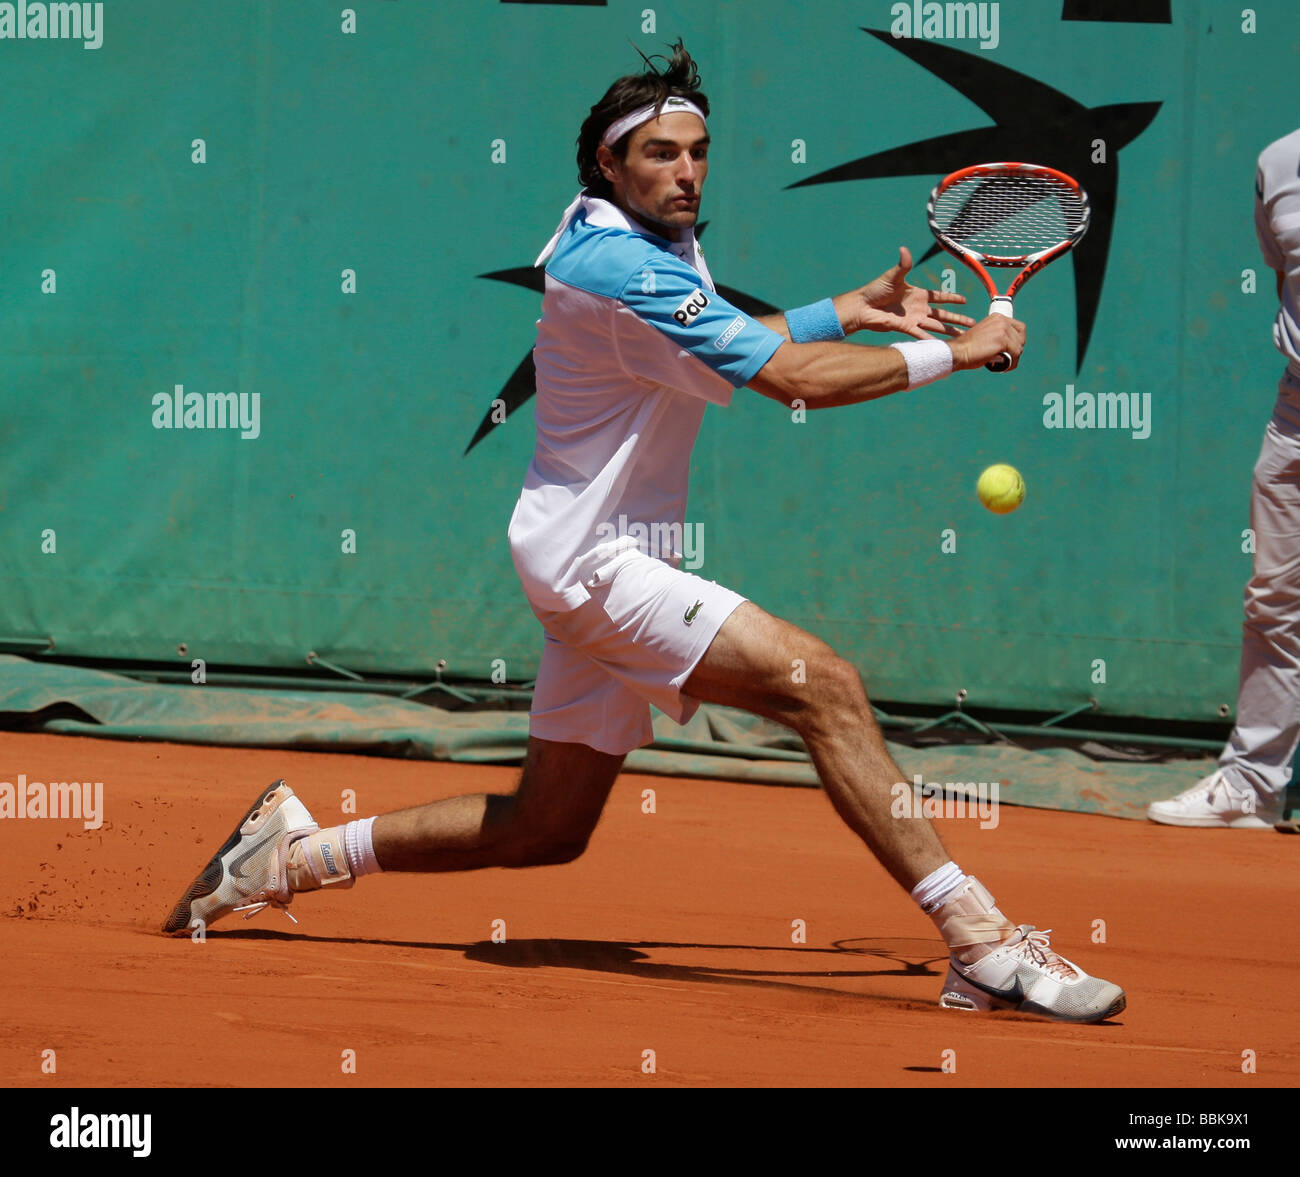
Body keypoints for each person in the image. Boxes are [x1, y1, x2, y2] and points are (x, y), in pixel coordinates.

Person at [165, 43, 1124, 1024]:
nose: (686, 172)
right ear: (607, 165)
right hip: (596, 564)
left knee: (546, 825)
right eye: (661, 154)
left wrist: (847, 309)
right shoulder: (614, 261)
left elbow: (716, 342)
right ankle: (981, 943)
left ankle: (285, 857)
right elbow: (783, 378)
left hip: (593, 557)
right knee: (820, 684)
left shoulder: (644, 240)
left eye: (698, 152)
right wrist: (951, 356)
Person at [1148, 126, 1300, 831]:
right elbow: (1286, 282)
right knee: (1274, 598)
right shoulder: (1278, 160)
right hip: (1296, 413)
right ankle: (1252, 784)